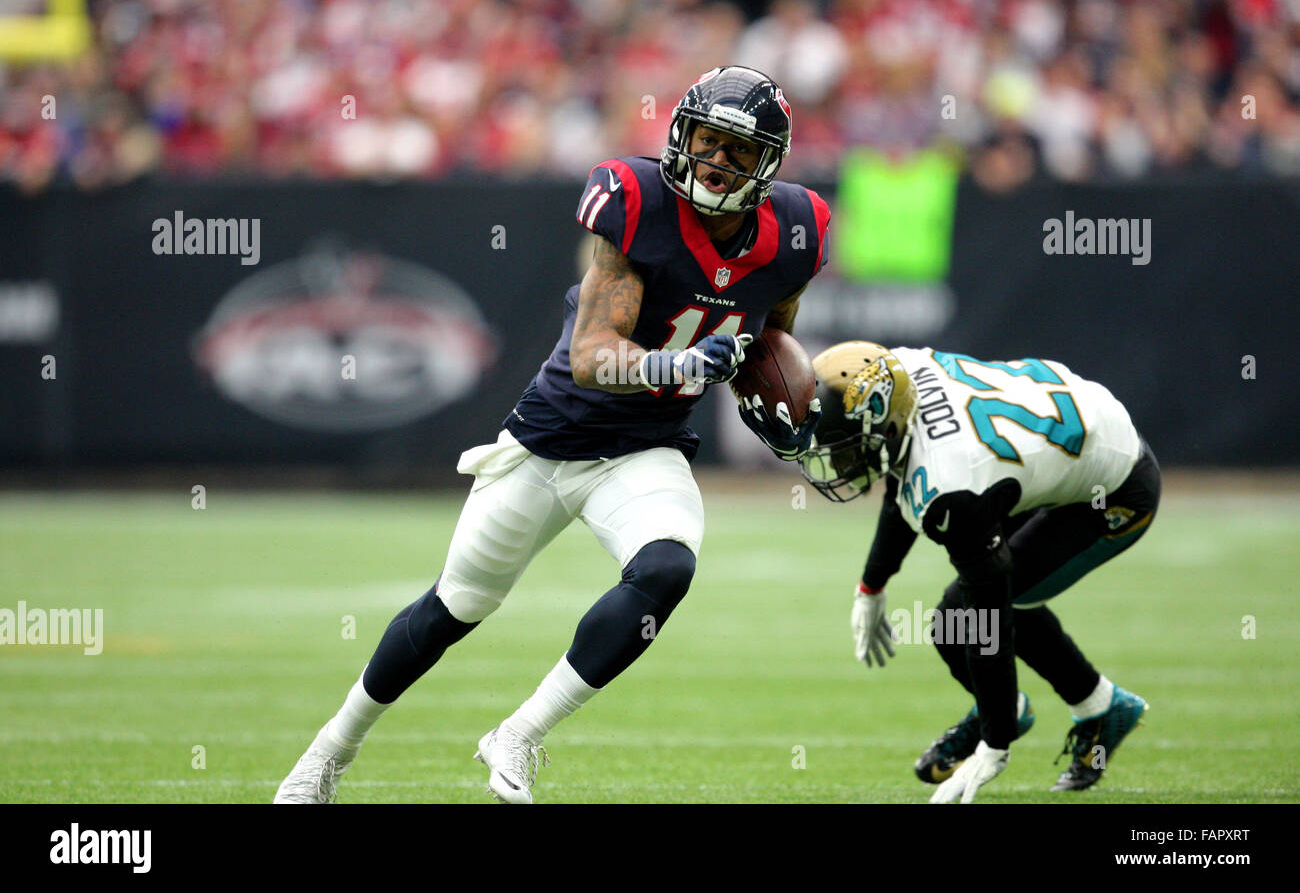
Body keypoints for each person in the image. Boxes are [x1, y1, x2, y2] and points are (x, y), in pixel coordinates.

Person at [275, 66, 828, 803]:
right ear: (681, 134)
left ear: (767, 166)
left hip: (644, 450)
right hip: (550, 440)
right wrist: (684, 361)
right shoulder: (640, 203)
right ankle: (327, 754)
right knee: (454, 608)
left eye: (736, 149)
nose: (715, 159)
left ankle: (520, 734)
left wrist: (778, 416)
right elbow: (593, 356)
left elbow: (768, 344)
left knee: (666, 569)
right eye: (706, 138)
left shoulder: (796, 233)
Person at [799, 342, 1159, 803]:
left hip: (1115, 488)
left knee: (959, 617)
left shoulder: (953, 482)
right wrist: (872, 585)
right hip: (1057, 433)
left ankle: (1069, 710)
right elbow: (902, 473)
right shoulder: (900, 369)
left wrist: (995, 745)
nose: (838, 459)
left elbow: (987, 612)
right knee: (967, 615)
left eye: (844, 445)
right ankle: (1094, 706)